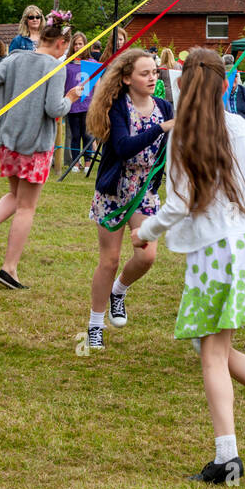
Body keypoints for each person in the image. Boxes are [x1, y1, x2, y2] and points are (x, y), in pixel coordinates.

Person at [134, 49, 245, 484]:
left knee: (211, 353)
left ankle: (227, 459)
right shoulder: (240, 126)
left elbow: (177, 205)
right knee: (212, 347)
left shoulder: (183, 135)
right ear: (222, 85)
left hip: (219, 251)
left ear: (183, 85)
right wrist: (242, 203)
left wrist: (145, 233)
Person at [0, 18, 81, 288]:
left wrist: (6, 106)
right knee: (27, 207)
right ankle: (9, 269)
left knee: (15, 195)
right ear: (61, 43)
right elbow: (55, 109)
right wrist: (72, 99)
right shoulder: (56, 66)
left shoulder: (15, 59)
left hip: (8, 142)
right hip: (35, 145)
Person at [82, 49, 173, 348]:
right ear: (126, 78)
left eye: (154, 72)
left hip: (145, 190)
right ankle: (95, 325)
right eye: (144, 73)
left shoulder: (164, 107)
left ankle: (118, 291)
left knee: (147, 255)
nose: (152, 77)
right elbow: (122, 147)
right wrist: (159, 129)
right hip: (114, 190)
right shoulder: (119, 107)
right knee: (108, 261)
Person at [64, 32, 97, 171]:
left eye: (80, 44)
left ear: (86, 45)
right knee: (75, 135)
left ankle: (88, 164)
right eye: (76, 44)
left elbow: (97, 84)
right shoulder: (67, 64)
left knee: (87, 135)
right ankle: (76, 163)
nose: (78, 47)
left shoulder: (92, 63)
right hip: (72, 105)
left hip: (87, 104)